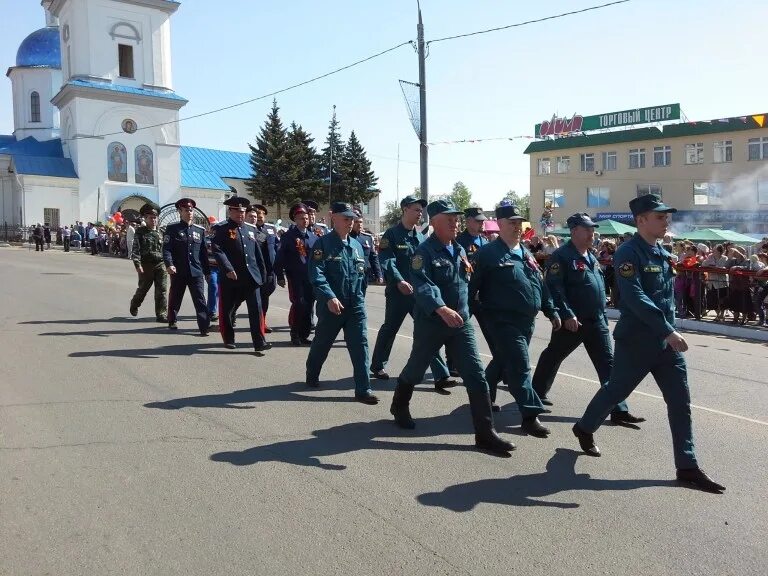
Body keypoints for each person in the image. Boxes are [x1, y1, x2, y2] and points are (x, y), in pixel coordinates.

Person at [572, 194, 725, 494]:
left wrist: (668, 332)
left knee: (680, 403)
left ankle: (687, 466)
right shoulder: (628, 253)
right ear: (641, 220)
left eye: (666, 215)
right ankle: (585, 427)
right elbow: (634, 297)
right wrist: (668, 330)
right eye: (659, 216)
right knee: (616, 390)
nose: (666, 220)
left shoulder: (663, 253)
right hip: (638, 342)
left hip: (666, 345)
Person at [389, 199, 515, 455]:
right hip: (433, 323)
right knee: (415, 368)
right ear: (434, 222)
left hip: (461, 323)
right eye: (449, 219)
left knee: (476, 375)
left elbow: (466, 284)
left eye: (456, 218)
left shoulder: (459, 250)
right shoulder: (423, 252)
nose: (455, 223)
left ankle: (485, 433)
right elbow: (423, 284)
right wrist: (441, 308)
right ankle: (399, 405)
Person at [531, 213, 644, 425]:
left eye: (593, 229)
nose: (592, 233)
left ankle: (618, 410)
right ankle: (534, 397)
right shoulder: (561, 256)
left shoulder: (590, 255)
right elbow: (555, 288)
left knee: (609, 366)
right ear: (574, 231)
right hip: (574, 321)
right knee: (553, 356)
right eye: (587, 229)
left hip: (597, 321)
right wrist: (566, 313)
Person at [469, 203, 561, 438]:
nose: (517, 227)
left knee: (501, 361)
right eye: (512, 223)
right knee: (520, 366)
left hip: (526, 321)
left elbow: (540, 285)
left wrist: (551, 311)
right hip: (502, 321)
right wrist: (464, 314)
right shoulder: (487, 254)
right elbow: (470, 288)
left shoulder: (526, 252)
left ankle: (483, 398)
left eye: (519, 223)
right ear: (499, 224)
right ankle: (530, 416)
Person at [369, 195, 455, 392]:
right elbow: (387, 260)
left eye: (420, 211)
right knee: (390, 329)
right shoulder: (391, 234)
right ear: (405, 209)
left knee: (427, 332)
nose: (419, 214)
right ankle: (378, 365)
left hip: (419, 295)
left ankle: (441, 375)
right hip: (398, 294)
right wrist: (399, 280)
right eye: (416, 210)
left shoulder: (420, 236)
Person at [305, 202, 379, 404]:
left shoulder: (356, 246)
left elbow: (361, 276)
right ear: (333, 217)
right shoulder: (322, 245)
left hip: (355, 305)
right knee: (322, 343)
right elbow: (316, 274)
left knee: (360, 345)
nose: (350, 222)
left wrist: (360, 298)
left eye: (352, 219)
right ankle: (312, 372)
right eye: (346, 218)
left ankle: (363, 389)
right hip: (332, 306)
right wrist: (329, 297)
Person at [212, 196, 270, 353]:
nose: (240, 214)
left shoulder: (251, 229)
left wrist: (263, 274)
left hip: (251, 277)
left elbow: (257, 255)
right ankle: (229, 338)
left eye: (243, 211)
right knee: (228, 310)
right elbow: (217, 250)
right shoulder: (221, 229)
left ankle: (259, 342)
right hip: (231, 277)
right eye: (237, 211)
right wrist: (228, 268)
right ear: (230, 211)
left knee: (256, 309)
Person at [163, 198, 211, 335]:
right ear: (180, 211)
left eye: (191, 210)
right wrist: (169, 264)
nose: (189, 212)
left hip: (196, 271)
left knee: (200, 299)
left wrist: (207, 272)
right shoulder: (172, 229)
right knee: (175, 296)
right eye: (186, 210)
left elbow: (203, 254)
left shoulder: (199, 230)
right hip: (178, 270)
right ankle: (172, 319)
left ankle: (204, 326)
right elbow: (166, 249)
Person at [274, 203, 314, 346]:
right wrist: (279, 275)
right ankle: (295, 334)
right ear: (295, 220)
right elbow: (280, 256)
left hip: (311, 278)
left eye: (306, 218)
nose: (305, 220)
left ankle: (305, 335)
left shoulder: (313, 237)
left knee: (309, 305)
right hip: (295, 277)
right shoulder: (288, 236)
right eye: (301, 218)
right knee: (299, 304)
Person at [129, 203, 168, 321]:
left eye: (155, 217)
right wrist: (137, 264)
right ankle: (135, 304)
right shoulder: (140, 232)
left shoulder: (162, 232)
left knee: (161, 290)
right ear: (145, 219)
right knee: (143, 289)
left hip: (160, 265)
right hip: (146, 265)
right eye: (151, 218)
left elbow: (167, 249)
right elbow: (135, 248)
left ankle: (161, 314)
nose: (154, 220)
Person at [246, 204, 278, 332]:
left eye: (261, 215)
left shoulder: (271, 229)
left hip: (270, 270)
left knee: (265, 297)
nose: (259, 217)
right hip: (256, 270)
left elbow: (276, 247)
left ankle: (262, 321)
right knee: (253, 298)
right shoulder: (250, 230)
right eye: (256, 215)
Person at [350, 210, 382, 294]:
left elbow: (373, 257)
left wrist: (379, 274)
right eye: (356, 222)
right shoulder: (346, 237)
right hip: (350, 275)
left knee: (361, 298)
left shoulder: (367, 238)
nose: (359, 224)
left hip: (364, 275)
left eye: (361, 222)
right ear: (352, 223)